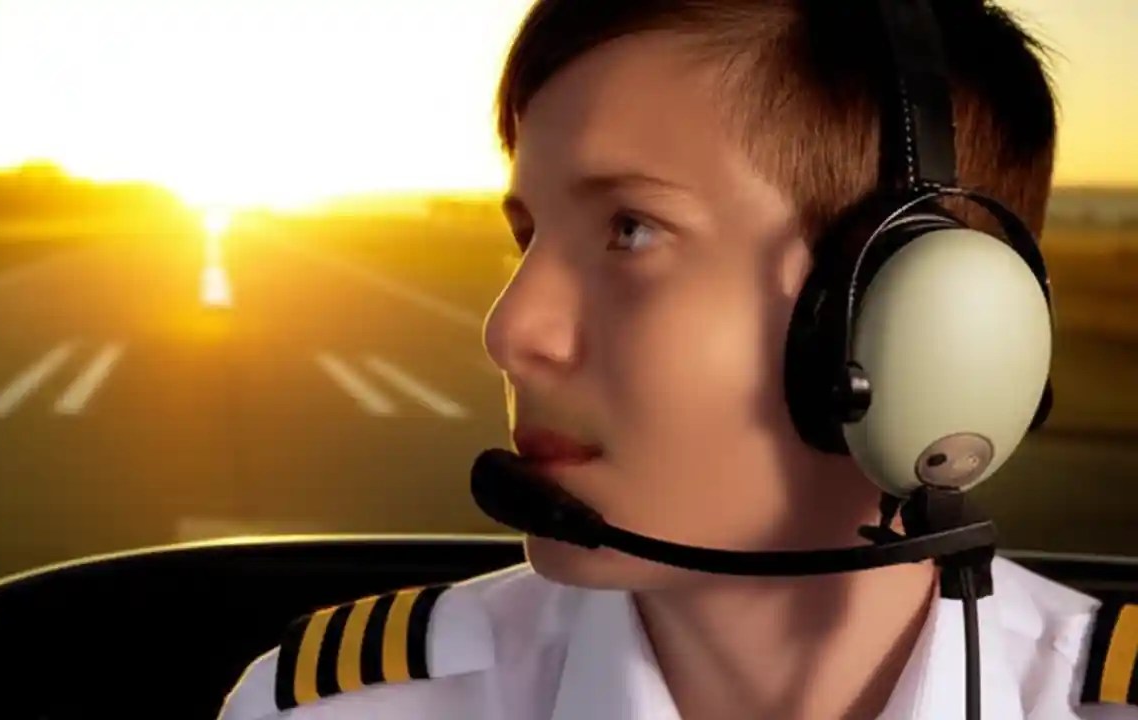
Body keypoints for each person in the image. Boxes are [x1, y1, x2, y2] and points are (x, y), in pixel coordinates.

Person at [219, 1, 1138, 718]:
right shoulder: (348, 710)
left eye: (629, 229)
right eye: (528, 235)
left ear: (927, 319)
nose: (511, 331)